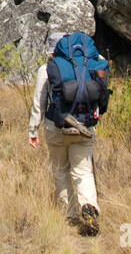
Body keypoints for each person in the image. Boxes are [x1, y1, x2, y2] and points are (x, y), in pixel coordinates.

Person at [28, 30, 109, 237]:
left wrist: (33, 130)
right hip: (84, 127)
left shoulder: (47, 69)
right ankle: (89, 205)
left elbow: (39, 103)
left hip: (56, 127)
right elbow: (102, 64)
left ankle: (70, 214)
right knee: (83, 171)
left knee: (60, 170)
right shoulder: (90, 66)